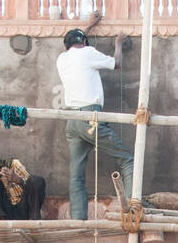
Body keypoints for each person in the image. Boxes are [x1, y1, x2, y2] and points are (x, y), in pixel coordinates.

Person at [56, 18, 134, 220]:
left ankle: (78, 220)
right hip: (90, 118)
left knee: (76, 175)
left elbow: (76, 42)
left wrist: (88, 25)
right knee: (127, 159)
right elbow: (116, 63)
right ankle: (134, 209)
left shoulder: (62, 60)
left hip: (72, 120)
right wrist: (118, 44)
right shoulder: (88, 53)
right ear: (84, 43)